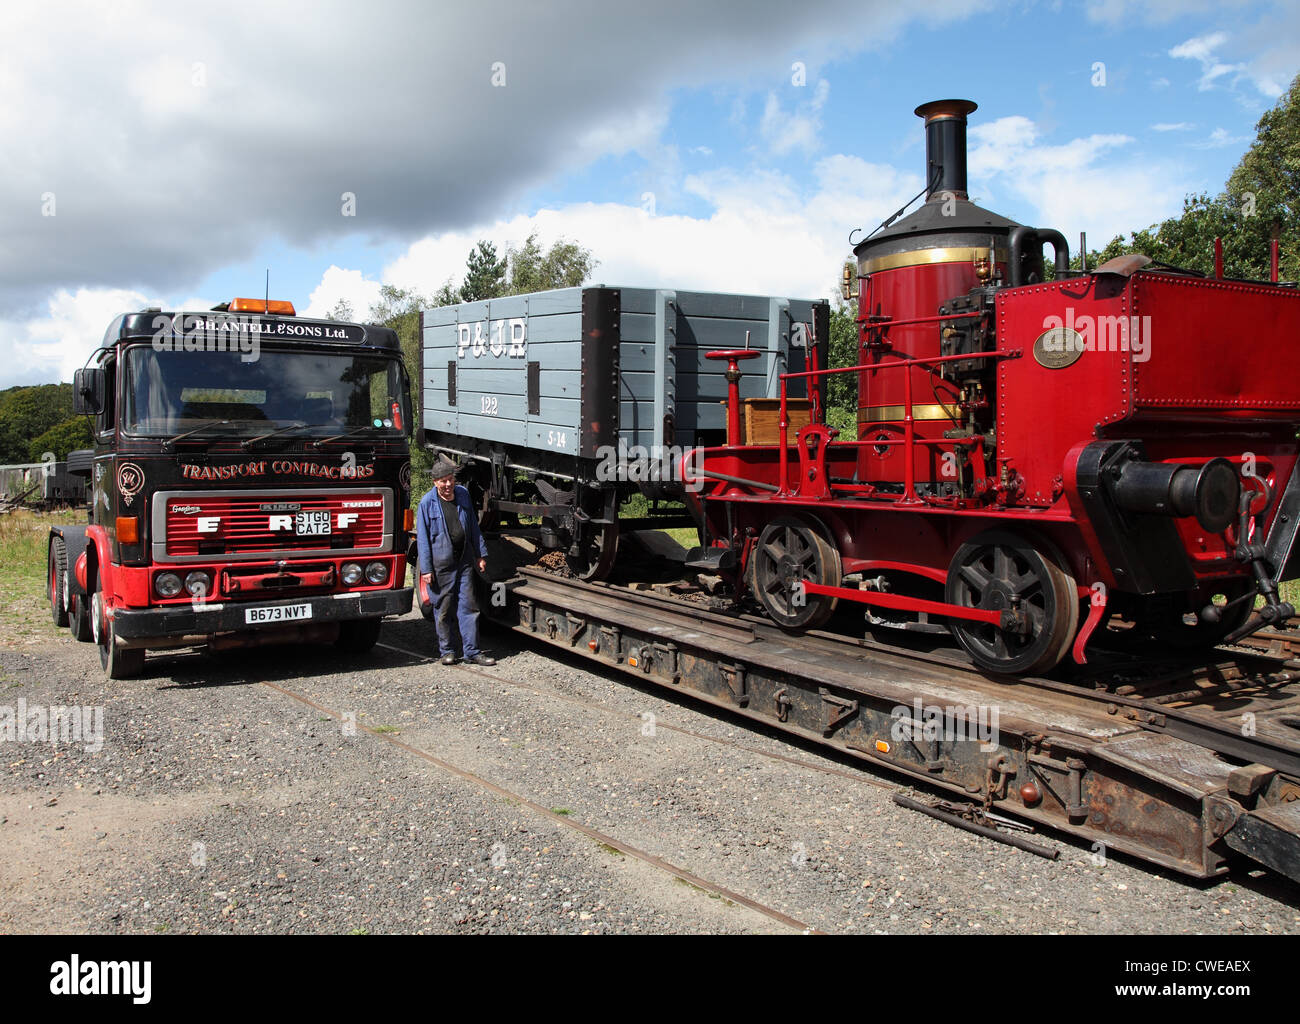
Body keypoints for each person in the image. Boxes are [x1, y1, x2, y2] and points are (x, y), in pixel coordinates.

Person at [415, 456, 495, 666]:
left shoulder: (463, 495)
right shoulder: (426, 504)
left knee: (469, 607)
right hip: (441, 565)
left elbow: (473, 528)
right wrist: (426, 569)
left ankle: (472, 652)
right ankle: (447, 650)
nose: (448, 485)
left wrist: (480, 554)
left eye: (451, 480)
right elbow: (423, 540)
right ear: (435, 482)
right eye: (443, 481)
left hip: (464, 561)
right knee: (443, 609)